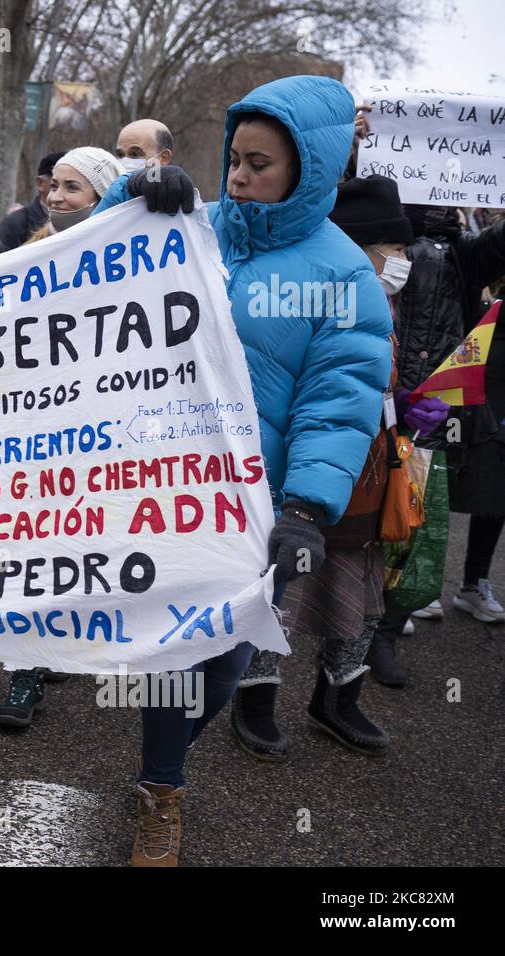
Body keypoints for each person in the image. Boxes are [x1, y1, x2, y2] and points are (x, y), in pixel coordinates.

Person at [93, 75, 392, 865]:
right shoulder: (189, 228)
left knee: (222, 667)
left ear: (310, 170)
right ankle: (163, 788)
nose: (239, 178)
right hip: (159, 488)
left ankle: (165, 754)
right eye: (234, 160)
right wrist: (129, 190)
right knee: (173, 655)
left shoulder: (343, 276)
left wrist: (307, 508)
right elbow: (79, 276)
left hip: (260, 510)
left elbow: (340, 401)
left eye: (260, 164)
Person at [231, 174, 447, 759]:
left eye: (404, 251)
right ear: (356, 249)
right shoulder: (305, 295)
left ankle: (338, 701)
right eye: (394, 250)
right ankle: (254, 700)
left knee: (352, 590)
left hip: (370, 481)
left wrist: (402, 408)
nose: (403, 261)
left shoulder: (389, 305)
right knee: (281, 590)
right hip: (303, 474)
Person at [0, 146, 124, 728]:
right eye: (55, 186)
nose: (57, 196)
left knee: (78, 542)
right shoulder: (30, 253)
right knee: (30, 543)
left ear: (101, 196)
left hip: (101, 429)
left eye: (73, 188)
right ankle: (24, 672)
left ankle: (62, 641)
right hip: (34, 425)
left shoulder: (134, 259)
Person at [366, 201, 505, 683]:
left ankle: (385, 628)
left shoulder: (465, 252)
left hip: (433, 411)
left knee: (415, 526)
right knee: (362, 524)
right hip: (375, 401)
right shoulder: (377, 234)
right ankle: (349, 634)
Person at [0, 151, 62, 251]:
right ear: (40, 183)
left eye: (72, 187)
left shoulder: (83, 225)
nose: (62, 194)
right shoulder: (14, 224)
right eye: (55, 185)